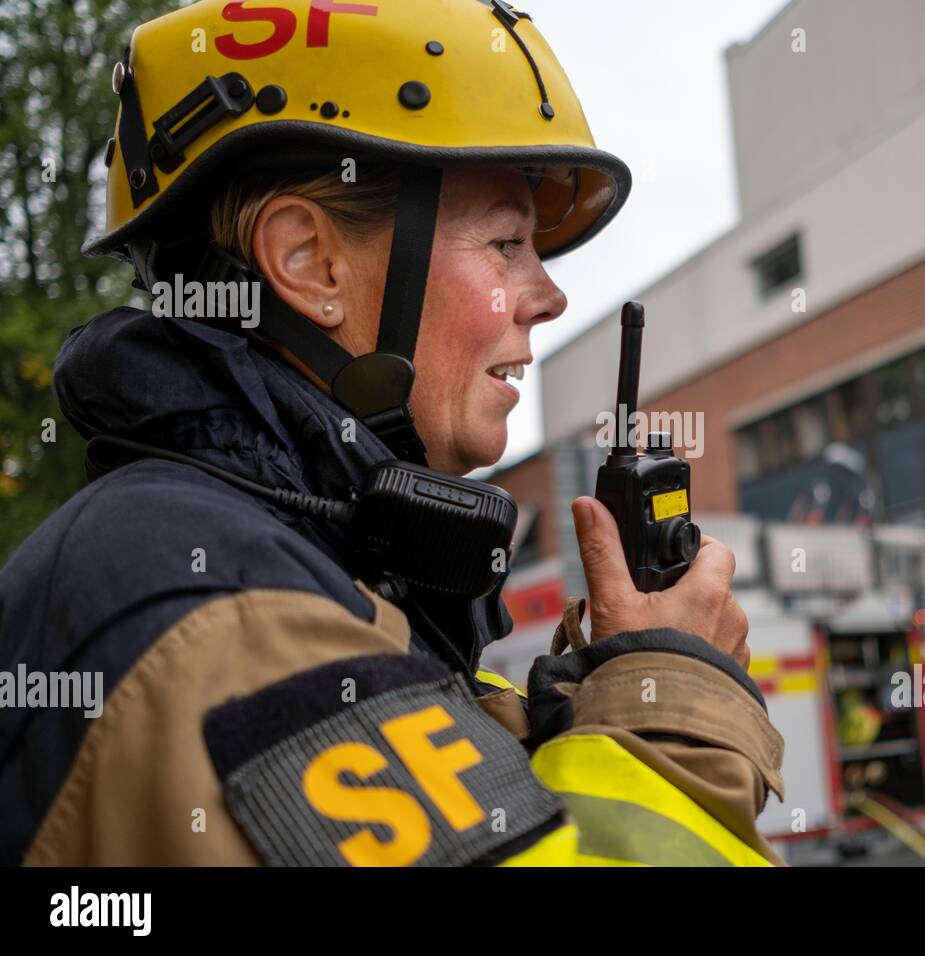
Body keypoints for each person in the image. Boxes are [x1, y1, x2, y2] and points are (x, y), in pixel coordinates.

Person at [0, 0, 784, 866]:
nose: (549, 294)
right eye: (506, 242)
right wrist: (673, 708)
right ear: (310, 262)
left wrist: (583, 702)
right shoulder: (221, 608)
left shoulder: (311, 574)